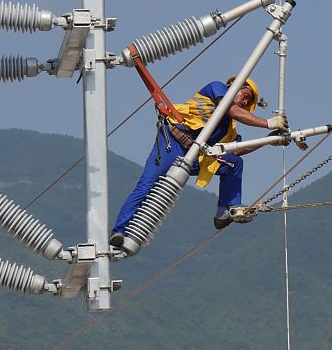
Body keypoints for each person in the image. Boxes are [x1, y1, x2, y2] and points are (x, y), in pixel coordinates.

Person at [109, 77, 288, 245]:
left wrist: (268, 139)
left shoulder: (229, 128)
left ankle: (225, 211)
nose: (244, 102)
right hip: (173, 142)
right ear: (236, 86)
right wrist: (268, 123)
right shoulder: (217, 88)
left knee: (233, 163)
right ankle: (119, 231)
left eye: (247, 103)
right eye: (245, 97)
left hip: (194, 155)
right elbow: (231, 109)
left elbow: (238, 149)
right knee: (146, 185)